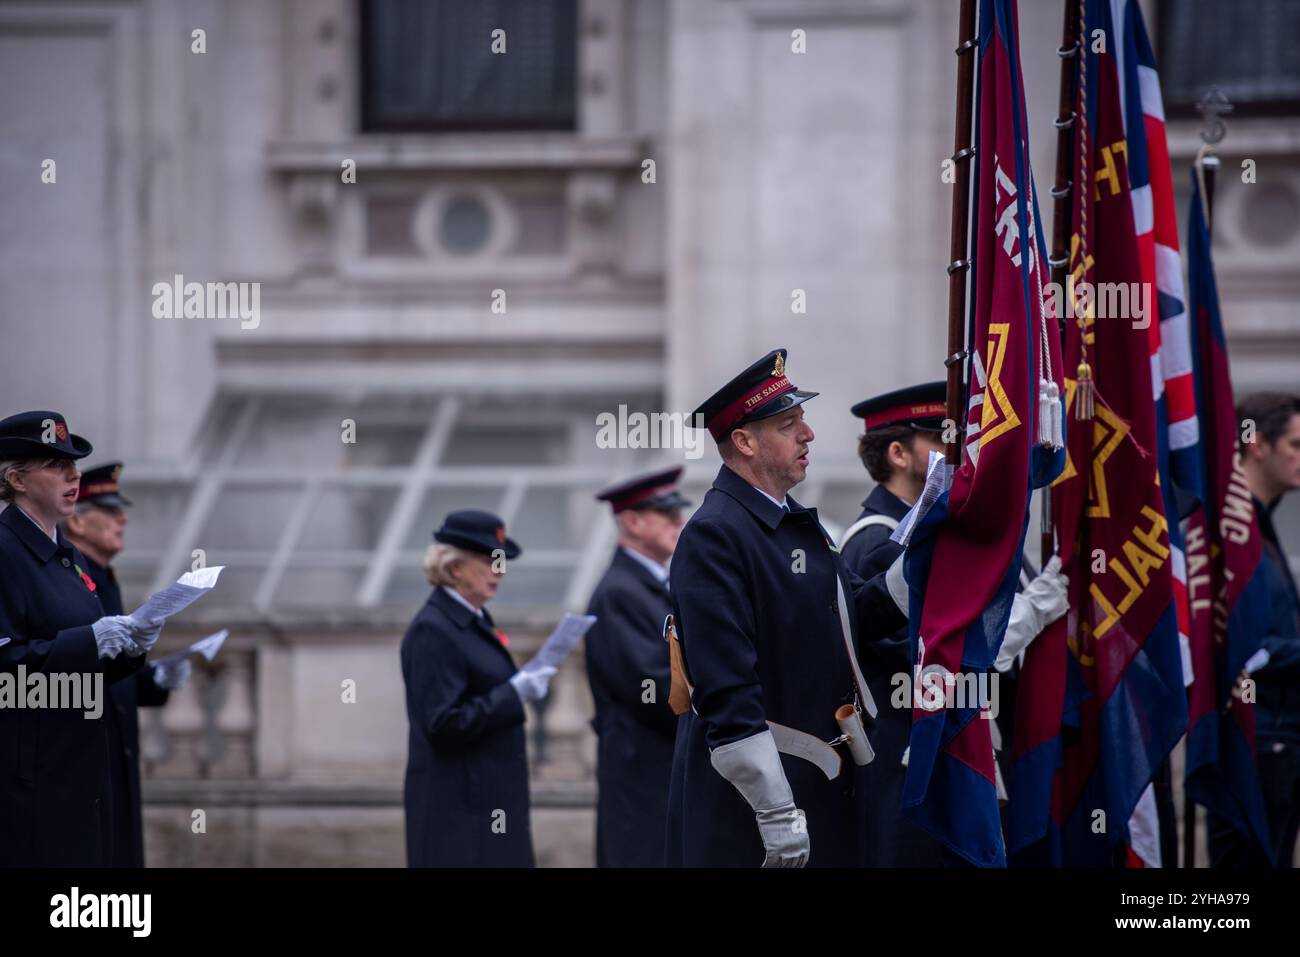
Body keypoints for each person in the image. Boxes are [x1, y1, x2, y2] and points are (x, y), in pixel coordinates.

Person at [665, 349, 913, 868]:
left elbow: (851, 622)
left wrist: (919, 562)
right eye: (788, 424)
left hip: (821, 784)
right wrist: (775, 812)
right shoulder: (716, 534)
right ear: (745, 441)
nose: (809, 435)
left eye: (801, 420)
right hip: (760, 803)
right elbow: (726, 689)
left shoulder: (792, 521)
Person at [840, 383, 1068, 866]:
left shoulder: (933, 535)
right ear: (898, 454)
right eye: (940, 439)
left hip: (946, 754)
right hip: (910, 761)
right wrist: (1034, 611)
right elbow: (932, 651)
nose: (957, 450)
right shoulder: (878, 543)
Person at [0, 410, 163, 866]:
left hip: (82, 774)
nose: (73, 474)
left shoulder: (67, 556)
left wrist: (132, 647)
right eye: (55, 465)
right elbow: (7, 681)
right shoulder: (5, 551)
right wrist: (90, 642)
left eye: (72, 464)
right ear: (16, 479)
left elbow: (88, 672)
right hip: (31, 783)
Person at [400, 509, 556, 867]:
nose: (499, 572)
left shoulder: (472, 620)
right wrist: (513, 694)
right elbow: (442, 724)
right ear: (454, 568)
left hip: (485, 804)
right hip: (459, 813)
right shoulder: (433, 629)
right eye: (489, 562)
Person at [62, 462, 191, 868]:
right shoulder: (73, 578)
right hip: (86, 759)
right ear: (78, 524)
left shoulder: (103, 576)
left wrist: (154, 679)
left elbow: (111, 675)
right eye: (111, 511)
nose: (123, 519)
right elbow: (67, 669)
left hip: (116, 754)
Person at [1210, 392, 1300, 867]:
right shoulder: (1229, 531)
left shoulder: (1261, 526)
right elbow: (1238, 643)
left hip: (1279, 738)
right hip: (1253, 739)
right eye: (1296, 444)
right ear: (1258, 445)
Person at [585, 466, 689, 867]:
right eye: (665, 513)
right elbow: (652, 686)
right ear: (631, 521)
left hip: (659, 767)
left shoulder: (653, 585)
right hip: (642, 772)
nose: (678, 521)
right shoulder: (619, 592)